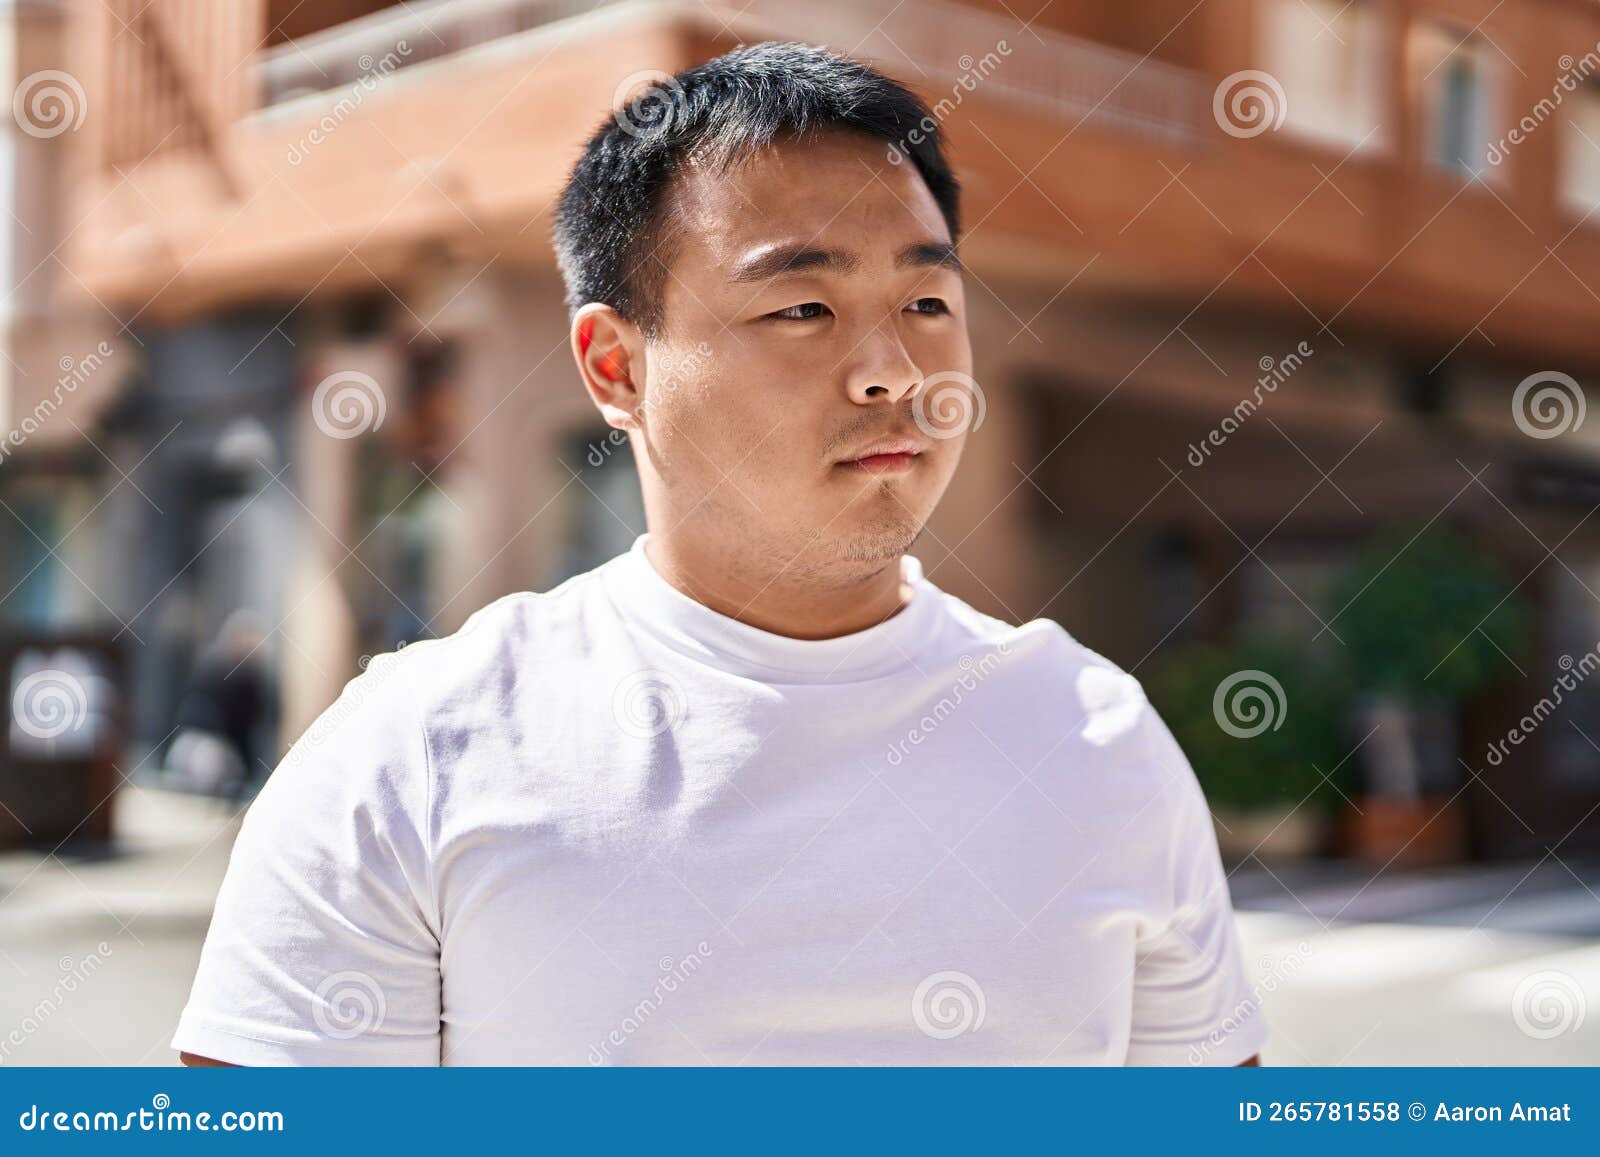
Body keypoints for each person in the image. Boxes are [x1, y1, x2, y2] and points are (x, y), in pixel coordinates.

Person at [173, 42, 1266, 1067]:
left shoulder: (1093, 735)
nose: (892, 370)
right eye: (801, 305)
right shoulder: (413, 752)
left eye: (927, 300)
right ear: (615, 365)